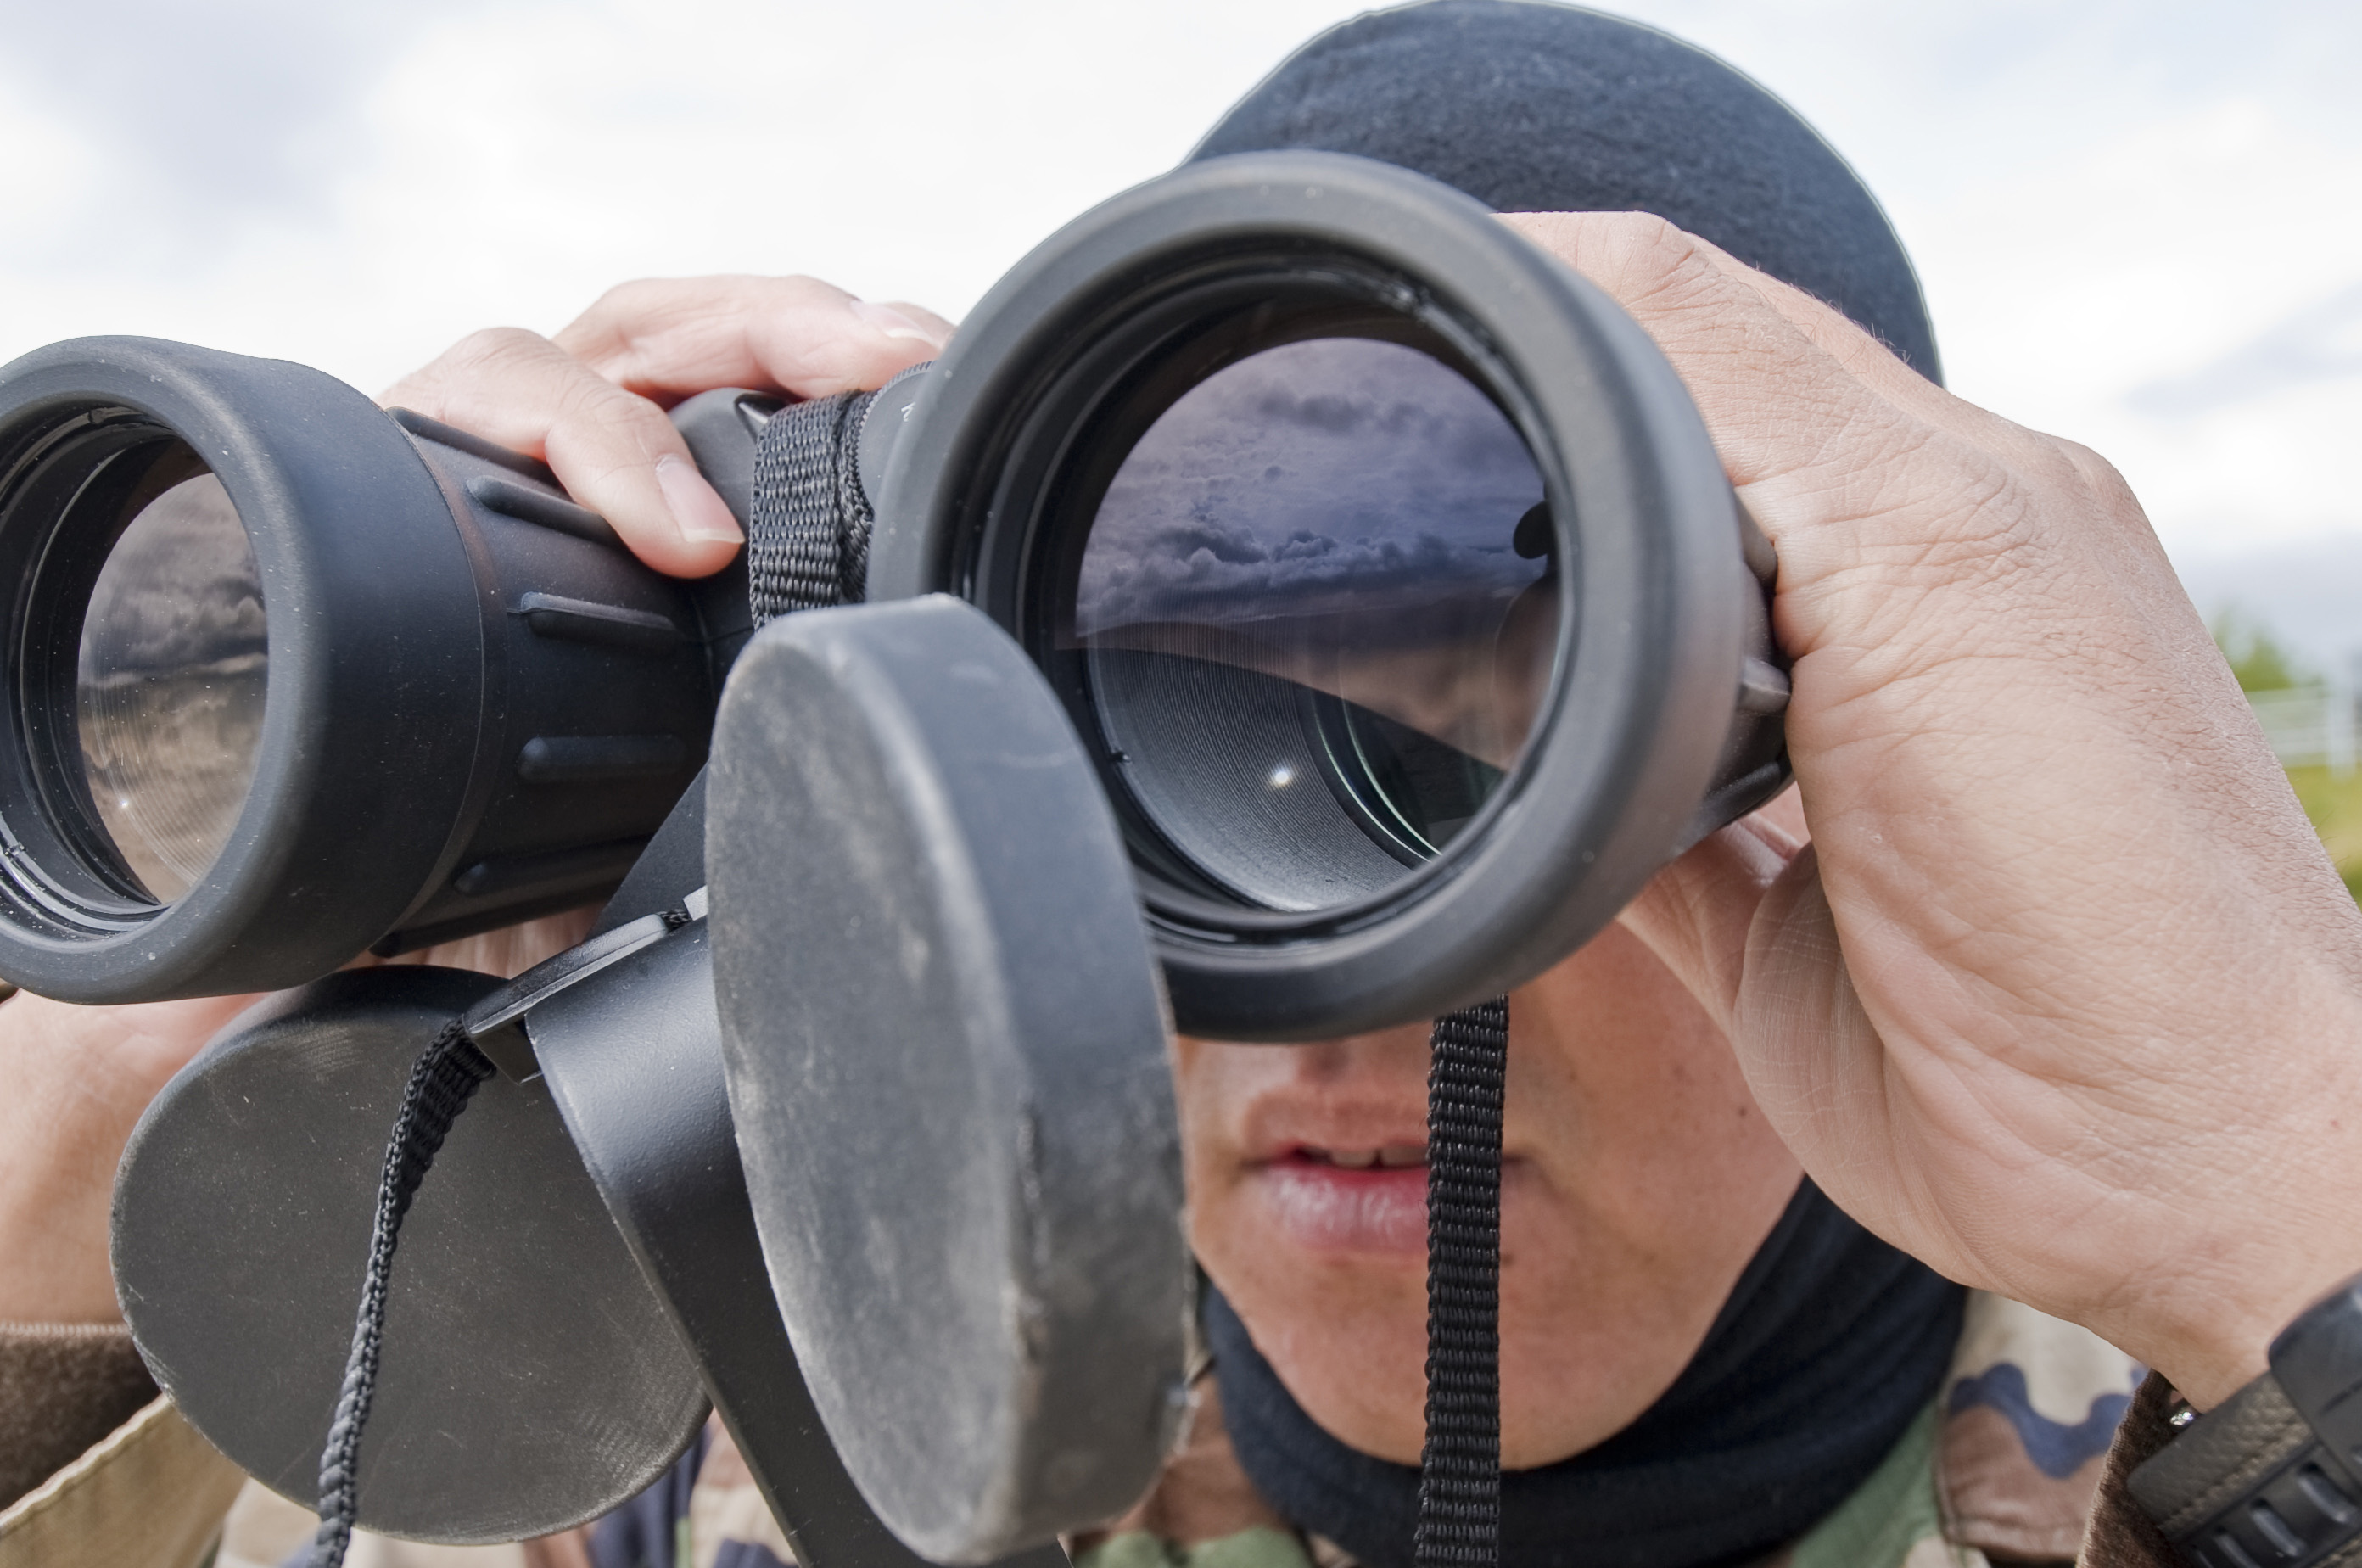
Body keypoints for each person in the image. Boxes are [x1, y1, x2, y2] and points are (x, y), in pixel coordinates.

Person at [6, 4, 2359, 1567]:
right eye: (1160, 732)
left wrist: (2284, 1200)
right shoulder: (747, 1416)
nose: (1346, 991)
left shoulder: (2228, 1392)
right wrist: (239, 870)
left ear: (1862, 769)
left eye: (1500, 748)